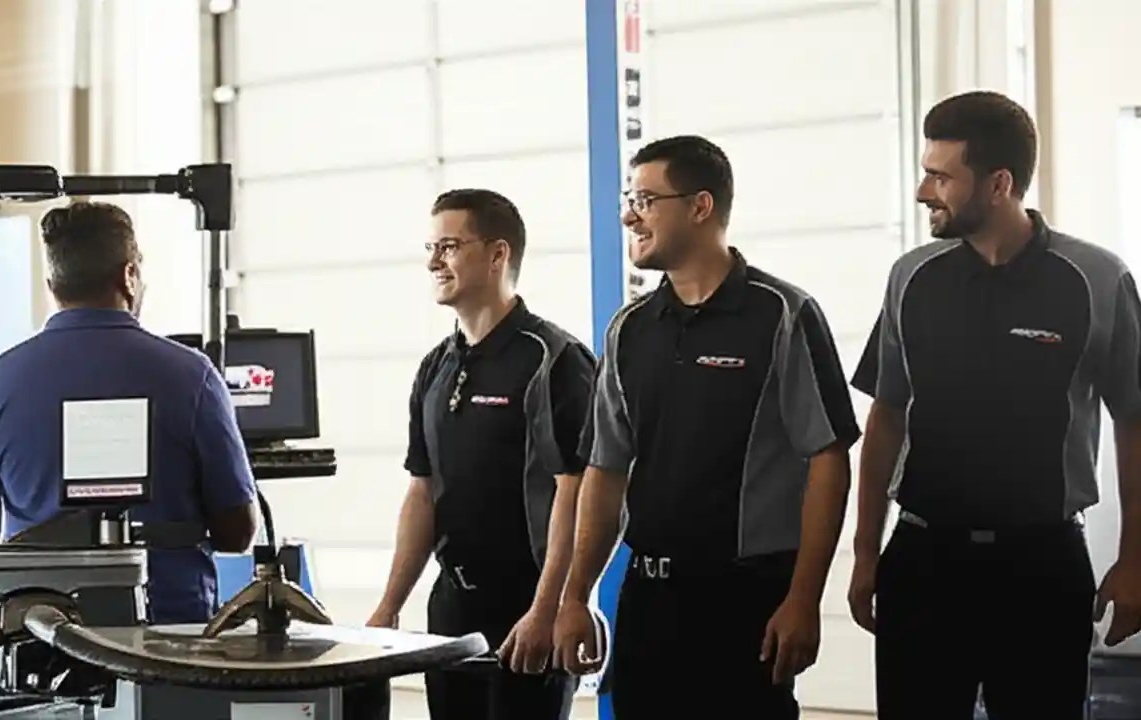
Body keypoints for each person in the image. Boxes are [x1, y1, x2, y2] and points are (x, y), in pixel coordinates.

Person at [847, 90, 1141, 719]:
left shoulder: (1096, 279)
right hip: (924, 562)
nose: (926, 191)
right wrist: (866, 553)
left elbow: (1135, 422)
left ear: (999, 183)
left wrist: (1136, 559)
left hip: (1042, 567)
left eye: (941, 176)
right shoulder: (912, 277)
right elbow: (886, 417)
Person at [551, 135, 861, 719]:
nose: (628, 215)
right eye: (629, 199)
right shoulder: (631, 329)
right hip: (649, 601)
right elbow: (605, 470)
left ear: (700, 206)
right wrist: (576, 594)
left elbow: (827, 458)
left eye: (645, 200)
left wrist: (803, 598)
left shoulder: (782, 314)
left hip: (746, 601)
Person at [0, 201, 259, 625]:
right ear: (129, 276)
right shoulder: (192, 376)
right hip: (169, 638)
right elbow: (238, 534)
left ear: (53, 284)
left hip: (41, 636)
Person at [365, 188, 595, 720]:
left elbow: (576, 491)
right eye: (430, 246)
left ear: (498, 255)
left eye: (448, 246)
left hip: (526, 610)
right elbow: (422, 490)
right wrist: (389, 606)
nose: (432, 261)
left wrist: (549, 608)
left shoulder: (554, 361)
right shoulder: (435, 367)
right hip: (453, 610)